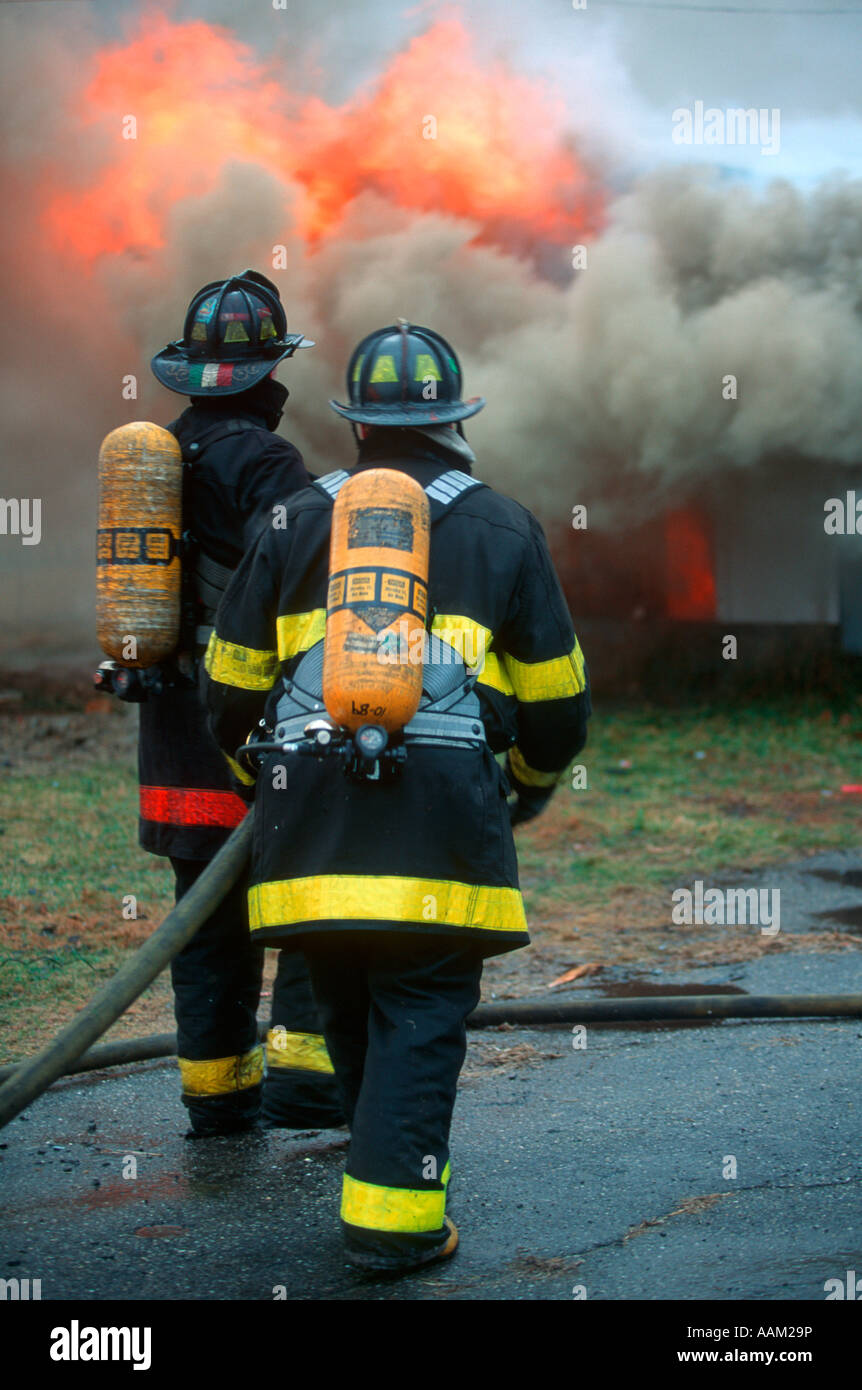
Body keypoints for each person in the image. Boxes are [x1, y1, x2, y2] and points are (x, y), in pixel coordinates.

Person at [203, 321, 590, 1269]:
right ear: (458, 420)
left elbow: (229, 690)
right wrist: (527, 788)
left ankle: (385, 1181)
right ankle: (395, 1225)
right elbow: (556, 701)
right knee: (420, 1011)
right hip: (442, 839)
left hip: (312, 840)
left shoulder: (290, 518)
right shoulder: (503, 524)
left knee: (346, 994)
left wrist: (273, 784)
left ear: (356, 427)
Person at [142, 270, 343, 1137]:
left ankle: (216, 1100)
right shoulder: (265, 459)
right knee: (306, 892)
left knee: (202, 920)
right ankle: (304, 1086)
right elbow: (303, 576)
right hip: (255, 722)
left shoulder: (158, 452)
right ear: (268, 375)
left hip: (172, 739)